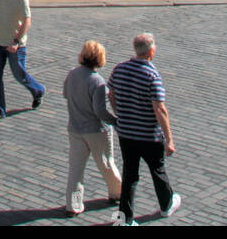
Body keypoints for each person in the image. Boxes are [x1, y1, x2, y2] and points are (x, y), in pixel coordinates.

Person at [108, 32, 180, 227]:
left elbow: (111, 94)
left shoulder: (119, 69)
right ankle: (166, 205)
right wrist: (169, 138)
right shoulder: (152, 75)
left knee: (130, 175)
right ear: (151, 51)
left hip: (126, 134)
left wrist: (120, 113)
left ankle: (125, 219)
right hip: (149, 136)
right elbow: (160, 109)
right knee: (158, 170)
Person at [62, 41, 122, 215]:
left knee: (75, 168)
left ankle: (73, 205)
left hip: (74, 128)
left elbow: (66, 94)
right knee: (107, 163)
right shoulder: (98, 81)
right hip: (96, 131)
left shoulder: (72, 73)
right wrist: (115, 121)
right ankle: (117, 192)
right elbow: (100, 111)